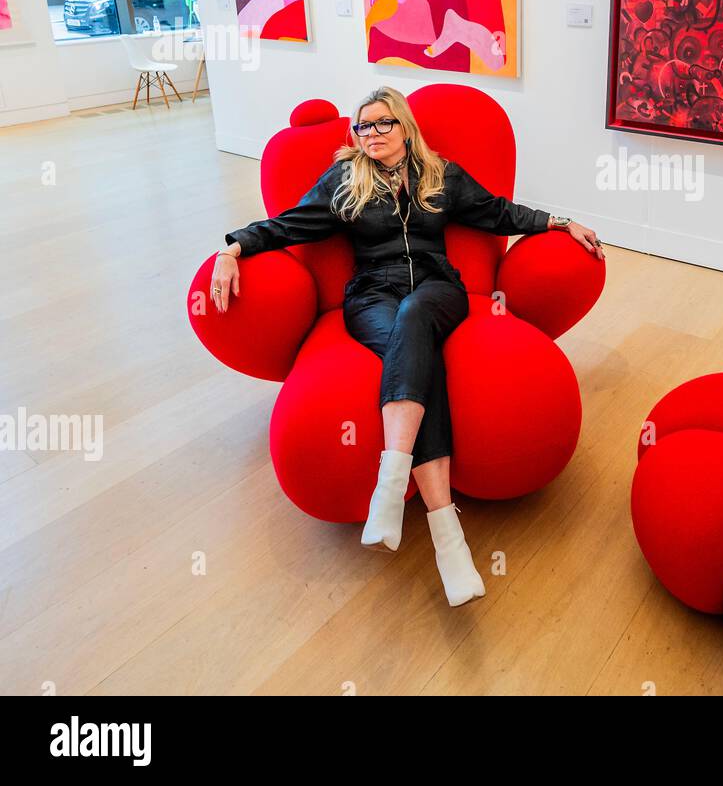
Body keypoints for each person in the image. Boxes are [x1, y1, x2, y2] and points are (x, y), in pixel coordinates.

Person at [209, 85, 604, 606]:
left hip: (438, 290)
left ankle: (389, 484)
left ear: (404, 126)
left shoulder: (438, 174)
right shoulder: (345, 180)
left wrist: (558, 222)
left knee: (415, 319)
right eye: (362, 126)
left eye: (381, 123)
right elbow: (292, 225)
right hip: (371, 294)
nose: (371, 134)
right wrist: (232, 247)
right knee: (419, 354)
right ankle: (449, 540)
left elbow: (496, 212)